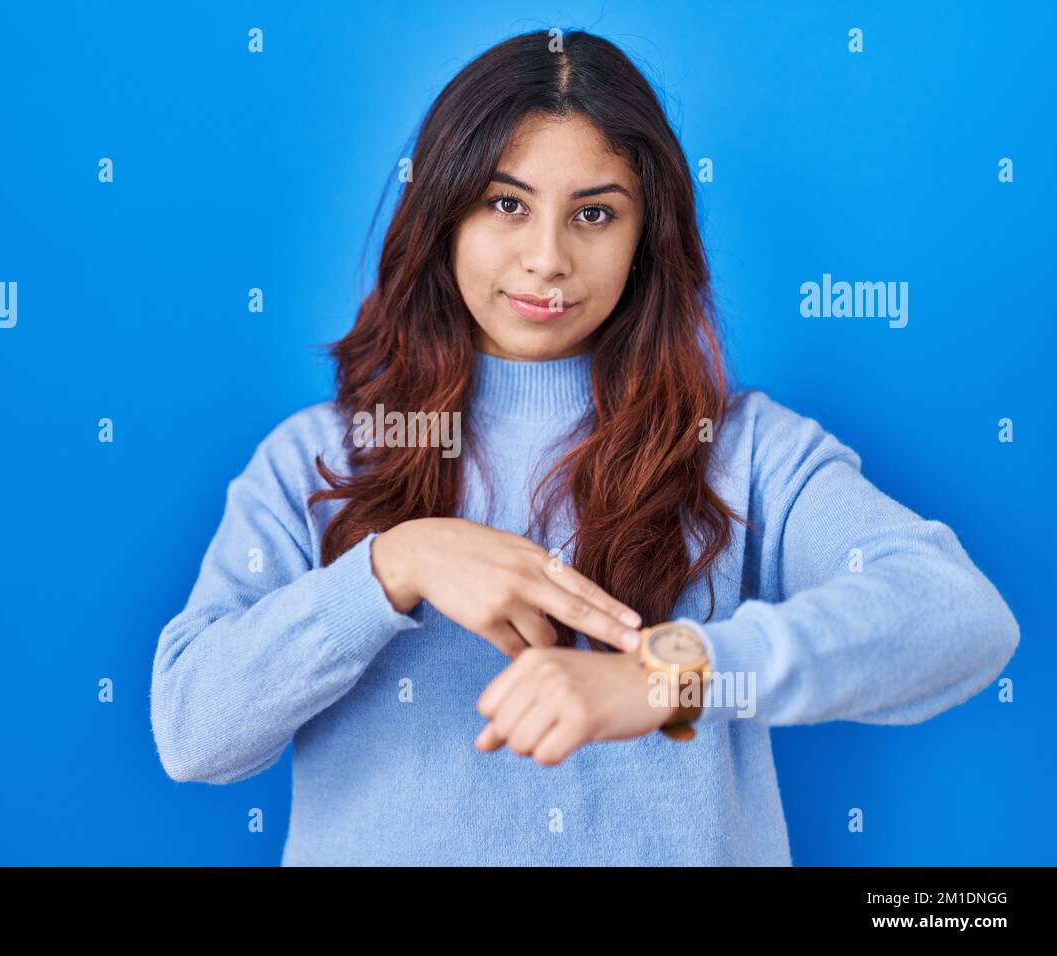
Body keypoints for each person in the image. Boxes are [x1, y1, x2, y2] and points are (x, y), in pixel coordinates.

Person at [149, 29, 1020, 865]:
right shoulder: (319, 459)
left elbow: (960, 618)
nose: (547, 258)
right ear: (443, 215)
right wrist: (390, 567)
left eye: (594, 214)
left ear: (648, 239)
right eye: (506, 204)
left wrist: (670, 677)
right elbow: (192, 732)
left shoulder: (744, 451)